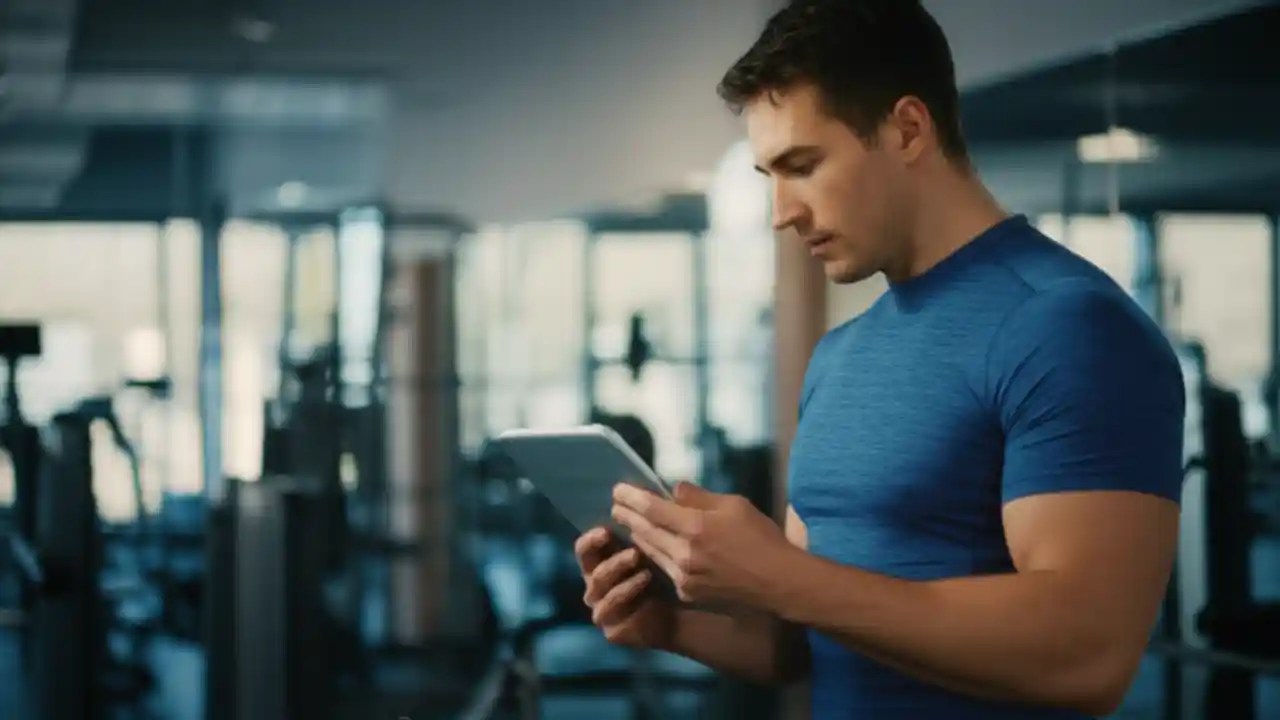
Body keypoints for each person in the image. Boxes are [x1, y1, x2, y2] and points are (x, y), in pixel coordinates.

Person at [574, 1, 1186, 718]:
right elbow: (810, 640)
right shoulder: (839, 356)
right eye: (769, 175)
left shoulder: (1069, 327)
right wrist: (670, 624)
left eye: (803, 165)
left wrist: (780, 575)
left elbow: (1087, 656)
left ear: (908, 129)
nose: (781, 212)